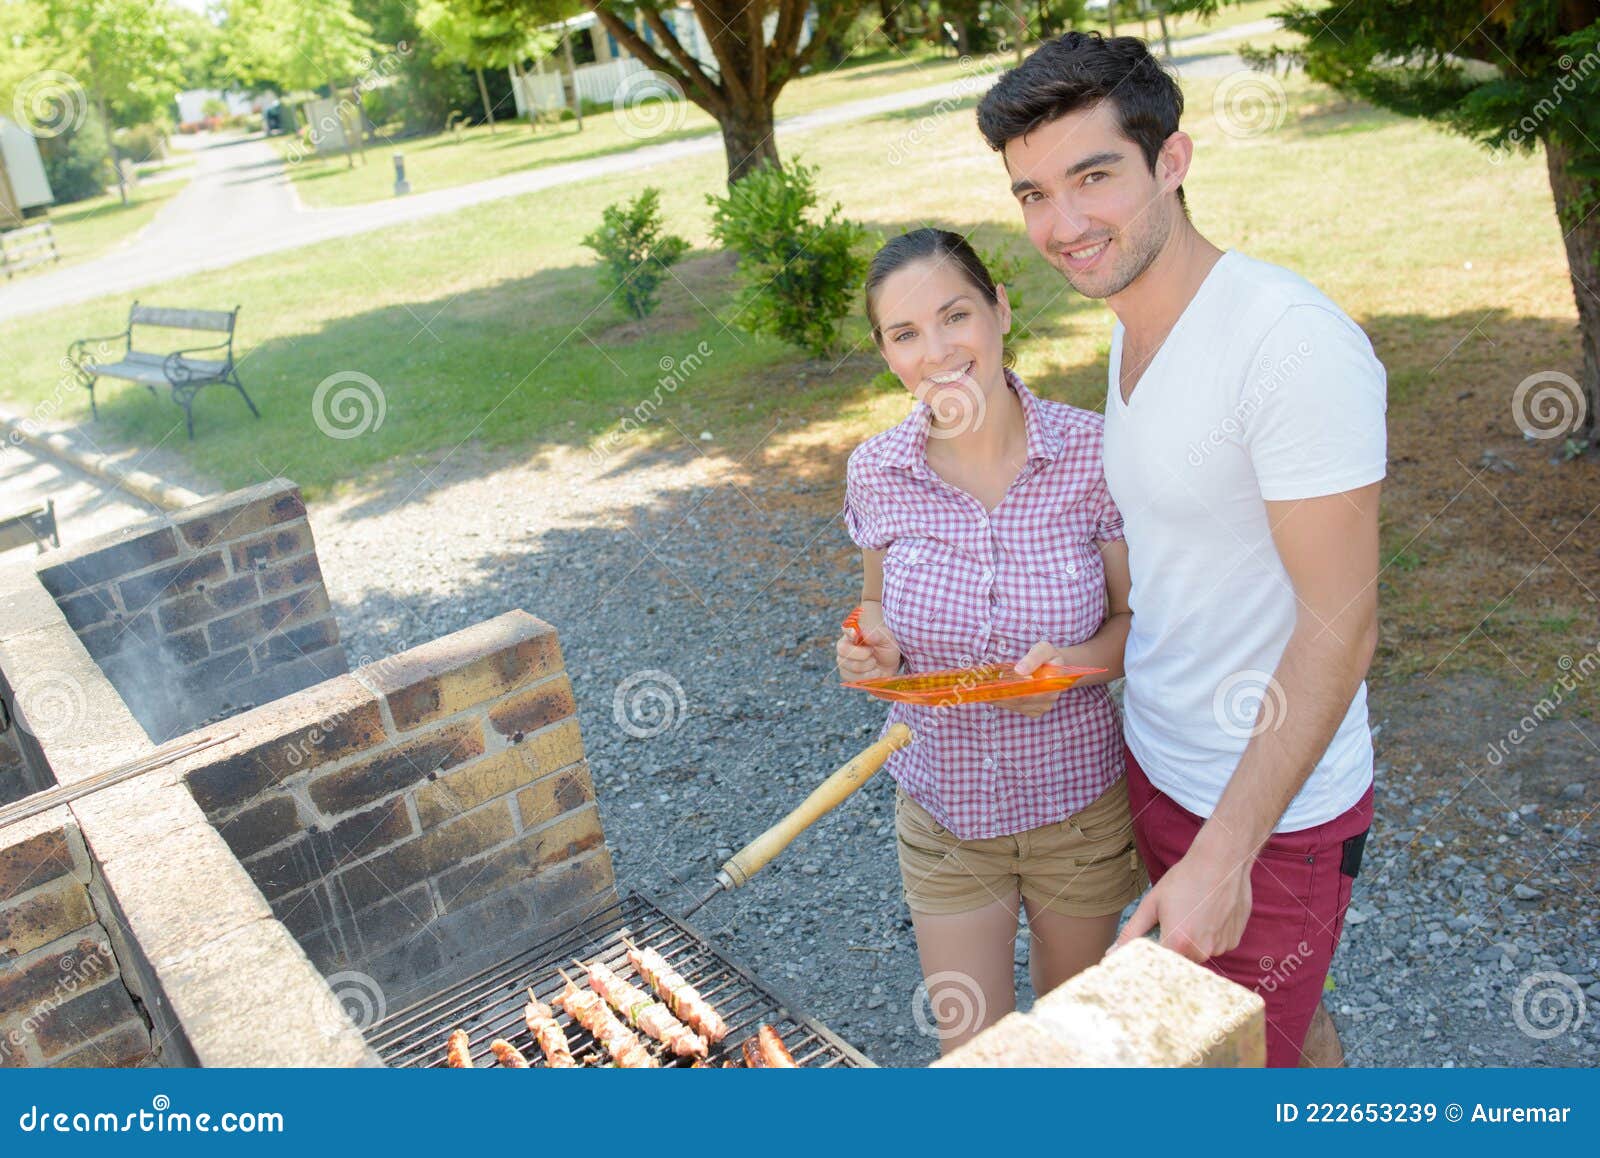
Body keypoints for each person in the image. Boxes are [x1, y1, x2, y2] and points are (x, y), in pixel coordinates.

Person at [976, 32, 1387, 1067]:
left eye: (1093, 177)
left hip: (1271, 814)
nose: (1063, 225)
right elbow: (1182, 563)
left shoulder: (1290, 344)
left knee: (1235, 1075)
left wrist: (1228, 851)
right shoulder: (1134, 320)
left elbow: (1342, 625)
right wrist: (1083, 663)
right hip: (1159, 766)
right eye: (1032, 194)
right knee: (1275, 1029)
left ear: (1172, 160)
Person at [835, 227, 1146, 1055]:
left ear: (1001, 310)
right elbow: (875, 606)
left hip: (1076, 809)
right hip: (944, 809)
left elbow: (1135, 626)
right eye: (906, 333)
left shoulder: (1092, 453)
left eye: (955, 316)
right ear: (887, 354)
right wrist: (870, 645)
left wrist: (1071, 667)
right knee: (976, 1056)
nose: (937, 351)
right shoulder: (876, 471)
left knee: (1074, 1047)